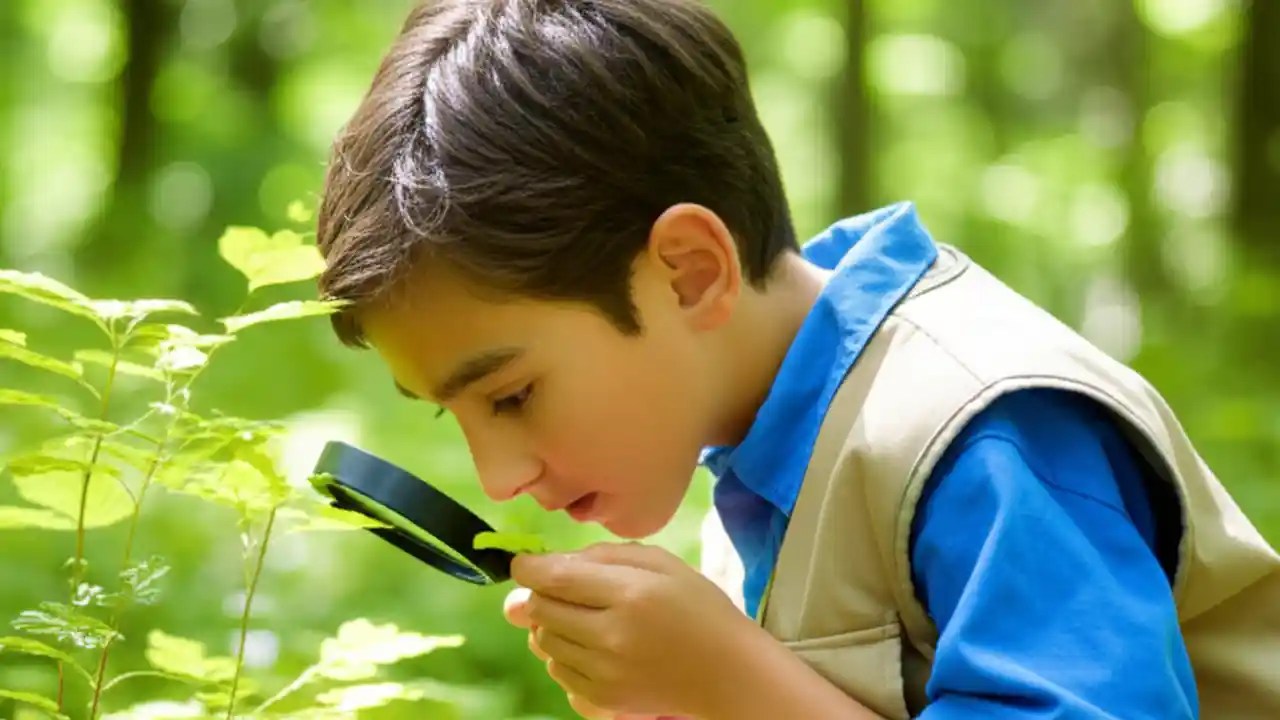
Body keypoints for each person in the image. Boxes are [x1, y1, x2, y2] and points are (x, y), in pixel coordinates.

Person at [312, 0, 1280, 718]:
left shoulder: (986, 429)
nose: (499, 474)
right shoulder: (762, 447)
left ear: (689, 273)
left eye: (513, 395)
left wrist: (732, 681)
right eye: (457, 414)